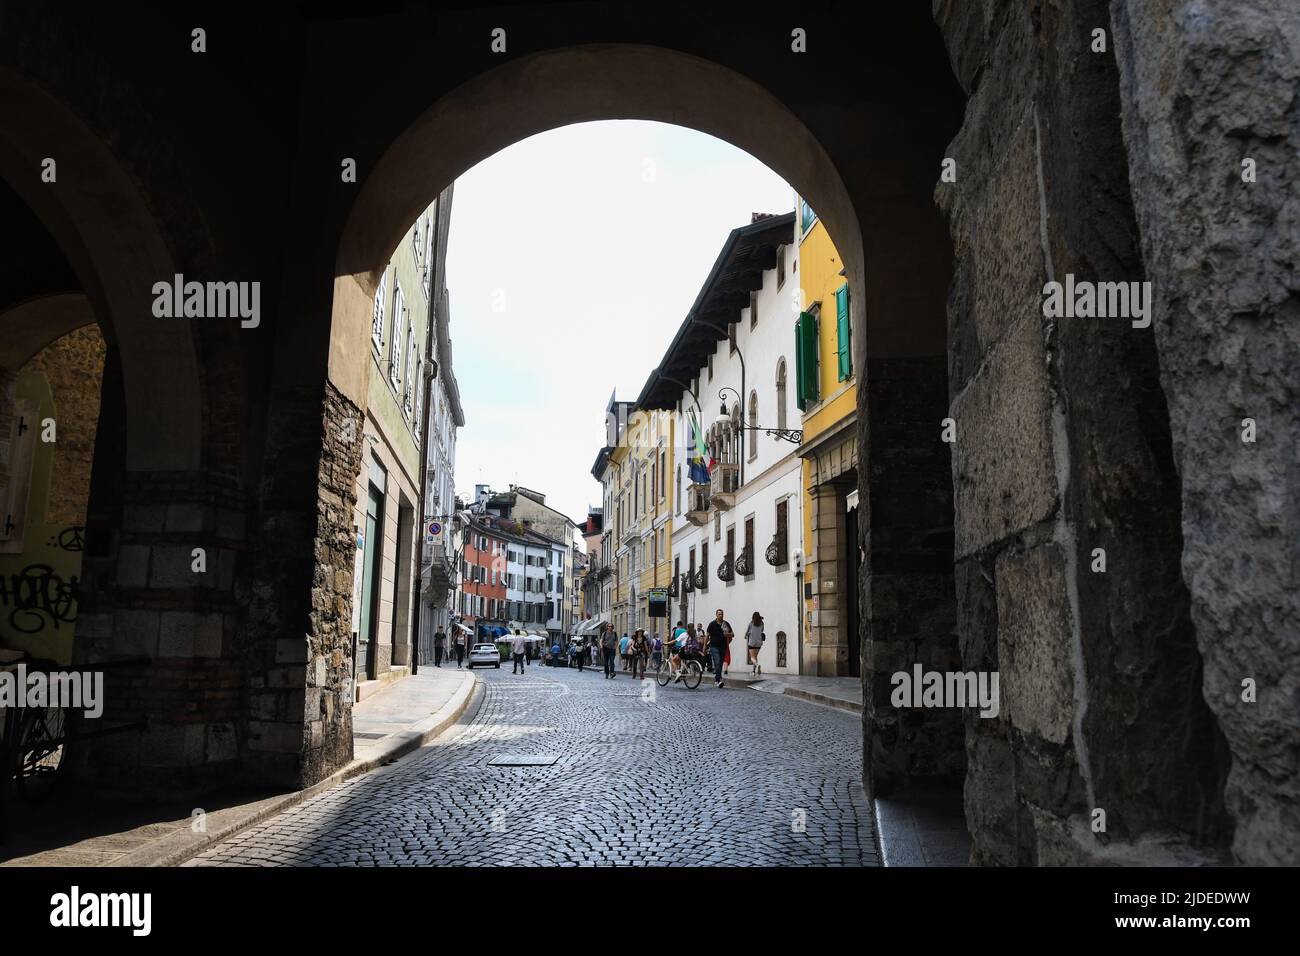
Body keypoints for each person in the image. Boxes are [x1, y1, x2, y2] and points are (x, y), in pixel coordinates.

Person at [706, 609, 730, 688]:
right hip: (714, 646)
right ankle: (719, 680)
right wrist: (704, 646)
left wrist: (727, 634)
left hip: (723, 647)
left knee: (720, 663)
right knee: (717, 662)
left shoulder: (725, 624)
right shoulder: (712, 624)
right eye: (719, 614)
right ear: (716, 615)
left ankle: (717, 680)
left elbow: (732, 634)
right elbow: (707, 635)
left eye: (722, 614)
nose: (721, 615)